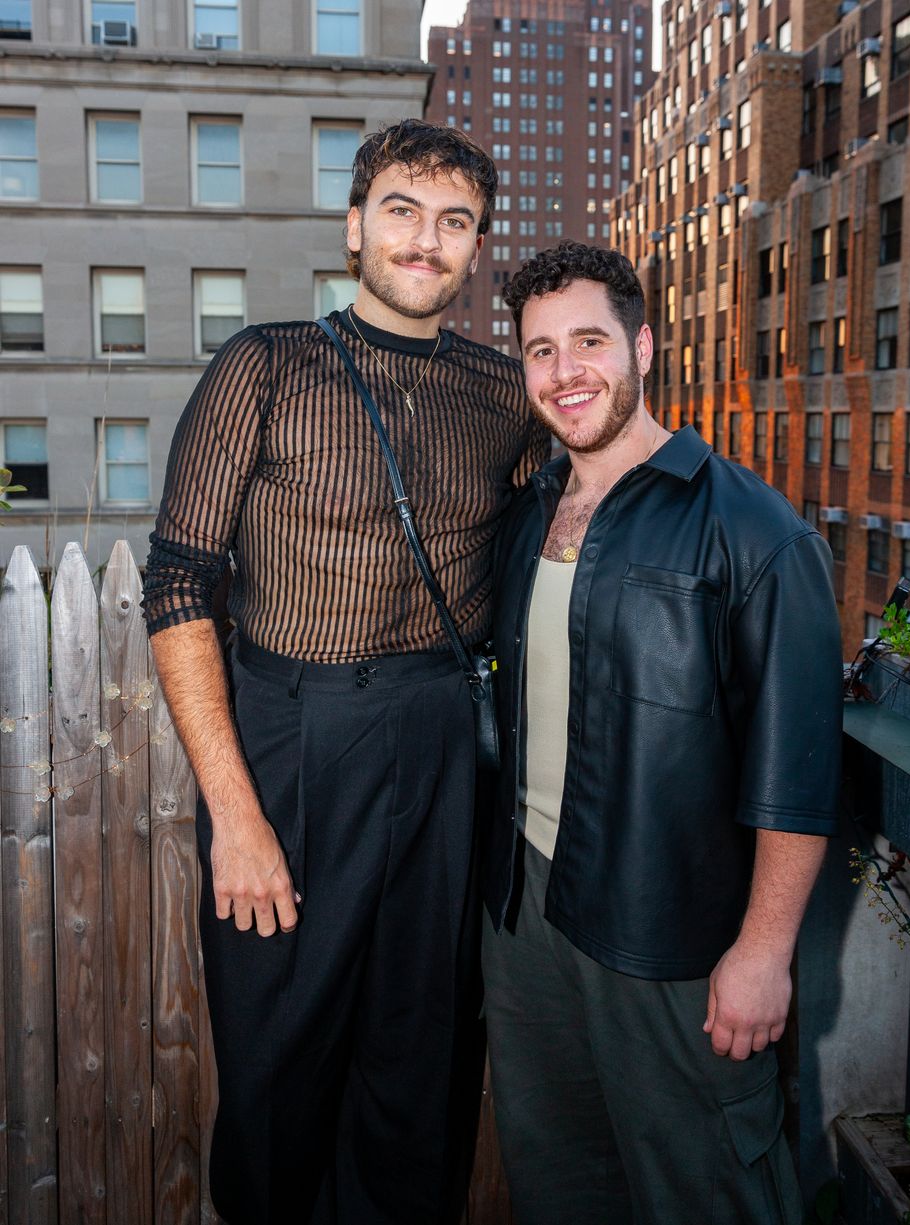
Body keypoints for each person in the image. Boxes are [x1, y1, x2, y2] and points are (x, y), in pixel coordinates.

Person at [142, 120, 549, 1225]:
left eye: (454, 221)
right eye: (403, 212)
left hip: (439, 747)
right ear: (354, 223)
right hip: (289, 739)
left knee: (420, 1067)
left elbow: (559, 538)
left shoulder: (504, 394)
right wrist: (234, 812)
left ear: (475, 248)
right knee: (276, 1064)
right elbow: (178, 583)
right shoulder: (264, 367)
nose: (426, 240)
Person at [481, 242, 842, 1225]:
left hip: (671, 933)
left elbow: (800, 774)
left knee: (705, 1192)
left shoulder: (754, 531)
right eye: (540, 351)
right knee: (560, 1181)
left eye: (588, 340)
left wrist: (761, 952)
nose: (565, 373)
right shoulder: (527, 518)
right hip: (527, 917)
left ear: (640, 345)